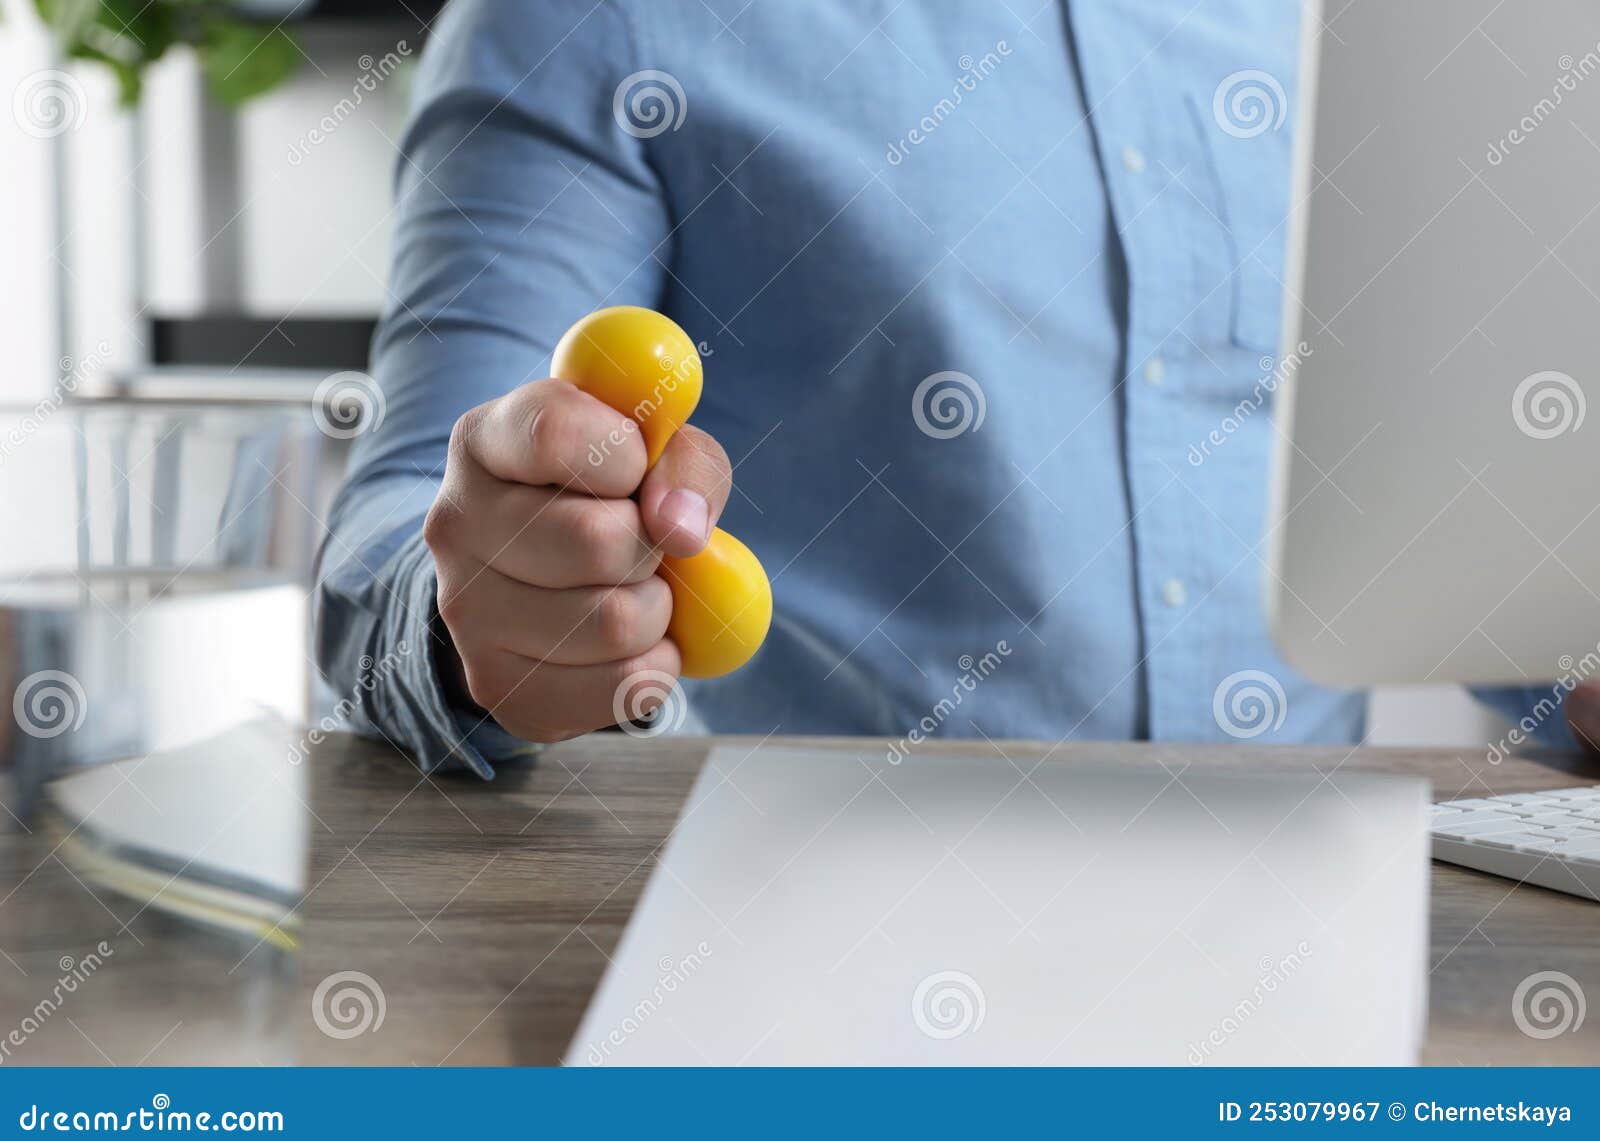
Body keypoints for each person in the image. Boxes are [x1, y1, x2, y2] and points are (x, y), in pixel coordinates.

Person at [314, 0, 1593, 778]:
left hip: (1332, 946)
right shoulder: (587, 24)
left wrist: (1565, 650)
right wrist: (483, 612)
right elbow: (392, 556)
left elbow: (1471, 539)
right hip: (826, 971)